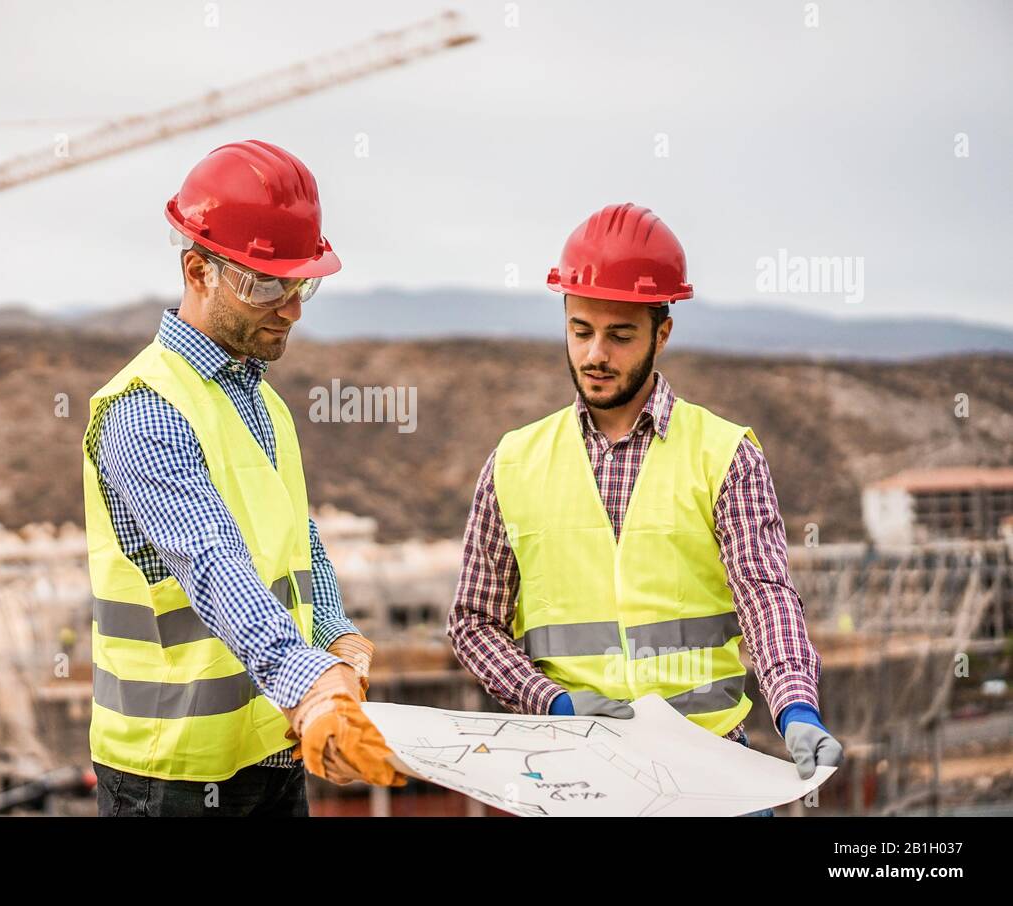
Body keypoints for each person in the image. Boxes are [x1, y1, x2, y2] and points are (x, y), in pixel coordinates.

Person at [446, 203, 844, 814]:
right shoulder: (513, 461)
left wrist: (796, 708)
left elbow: (765, 595)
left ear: (663, 332)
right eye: (581, 331)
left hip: (710, 781)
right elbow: (474, 622)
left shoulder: (724, 454)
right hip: (574, 782)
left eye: (620, 334)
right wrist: (547, 699)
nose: (596, 354)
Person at [83, 140, 403, 816]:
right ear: (198, 271)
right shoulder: (145, 410)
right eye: (266, 283)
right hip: (168, 781)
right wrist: (311, 686)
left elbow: (296, 542)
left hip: (271, 756)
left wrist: (336, 638)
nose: (291, 307)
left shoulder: (264, 404)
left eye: (302, 282)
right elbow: (211, 562)